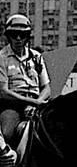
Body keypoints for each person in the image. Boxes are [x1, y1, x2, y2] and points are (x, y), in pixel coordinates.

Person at [0, 14, 51, 146]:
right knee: (7, 133)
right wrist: (32, 102)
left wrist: (38, 102)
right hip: (13, 106)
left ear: (27, 37)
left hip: (38, 104)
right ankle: (7, 163)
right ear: (8, 36)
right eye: (14, 34)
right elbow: (4, 92)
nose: (18, 39)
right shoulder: (2, 57)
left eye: (22, 35)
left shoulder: (36, 57)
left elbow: (46, 88)